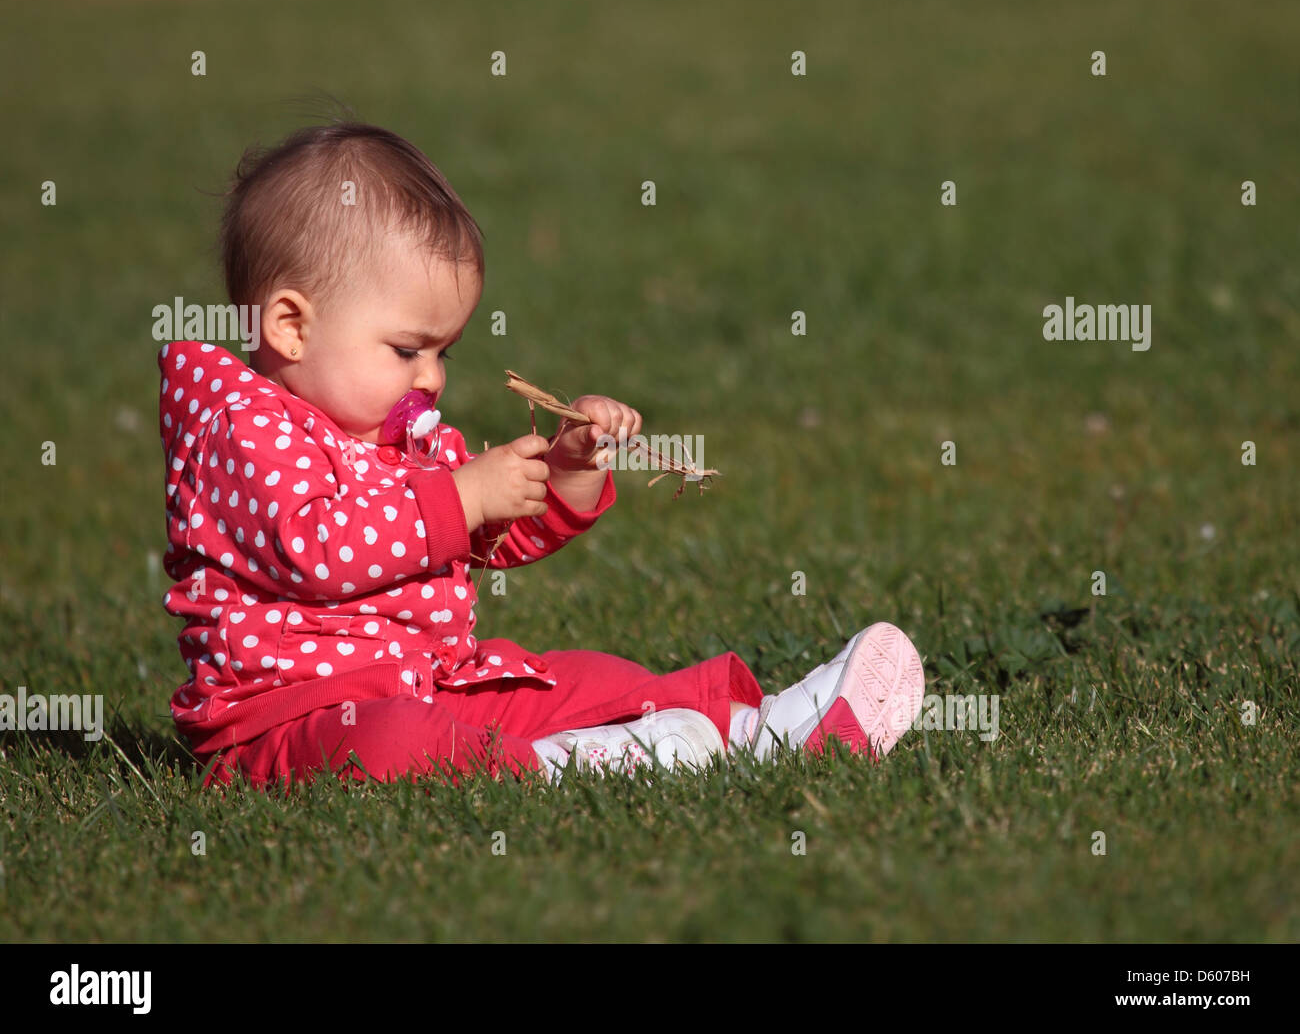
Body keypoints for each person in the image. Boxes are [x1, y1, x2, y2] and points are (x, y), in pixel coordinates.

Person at [158, 120, 925, 788]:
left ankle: (764, 732)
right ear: (290, 325)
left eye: (445, 352)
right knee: (392, 745)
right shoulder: (239, 429)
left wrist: (567, 469)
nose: (430, 376)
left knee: (590, 675)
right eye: (406, 349)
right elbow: (317, 549)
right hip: (289, 723)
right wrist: (461, 496)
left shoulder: (403, 433)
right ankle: (575, 764)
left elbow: (491, 532)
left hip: (436, 681)